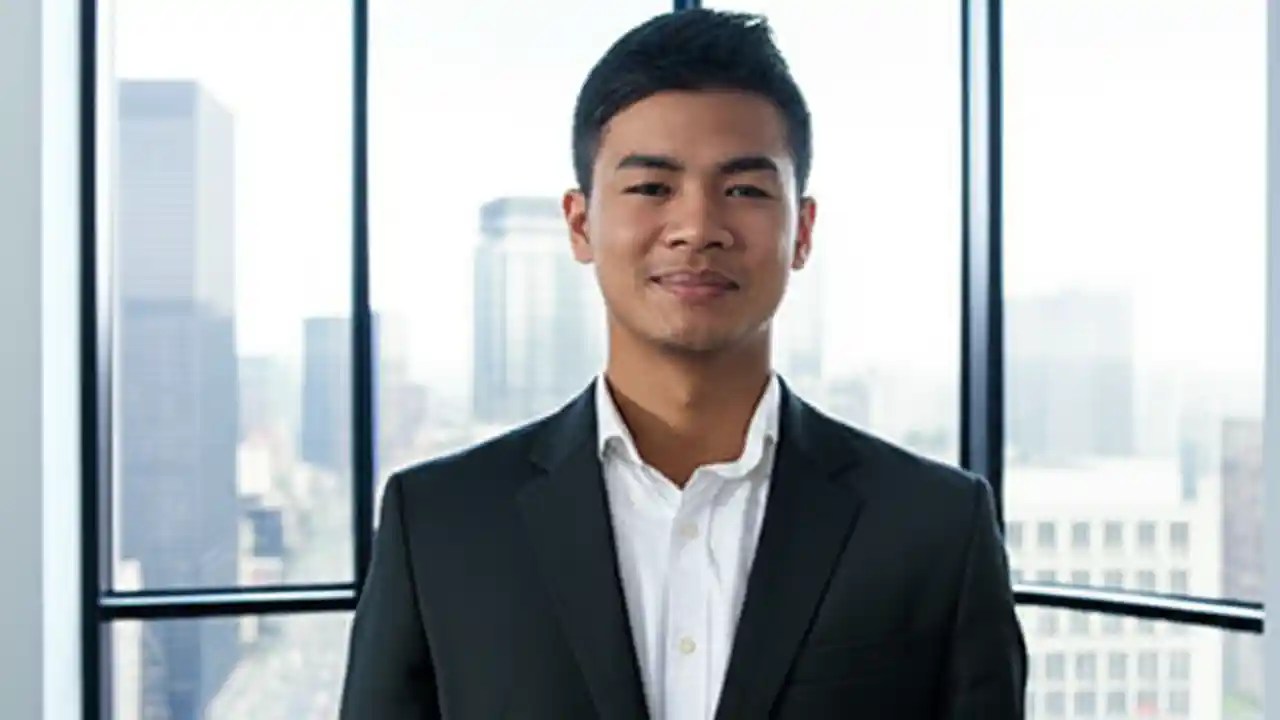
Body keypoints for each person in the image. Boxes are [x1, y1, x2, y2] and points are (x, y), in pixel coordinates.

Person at [340, 8, 1026, 719]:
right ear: (580, 224)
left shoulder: (934, 529)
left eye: (745, 191)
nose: (698, 228)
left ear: (803, 231)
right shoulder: (441, 525)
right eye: (651, 188)